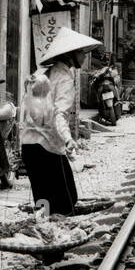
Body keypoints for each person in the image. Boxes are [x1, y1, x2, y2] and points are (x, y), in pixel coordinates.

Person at [19, 27, 101, 215]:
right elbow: (59, 114)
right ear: (71, 54)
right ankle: (56, 239)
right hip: (48, 148)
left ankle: (43, 235)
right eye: (81, 52)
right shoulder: (64, 78)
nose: (84, 57)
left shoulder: (42, 74)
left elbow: (27, 109)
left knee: (43, 202)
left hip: (29, 145)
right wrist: (68, 139)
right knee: (66, 202)